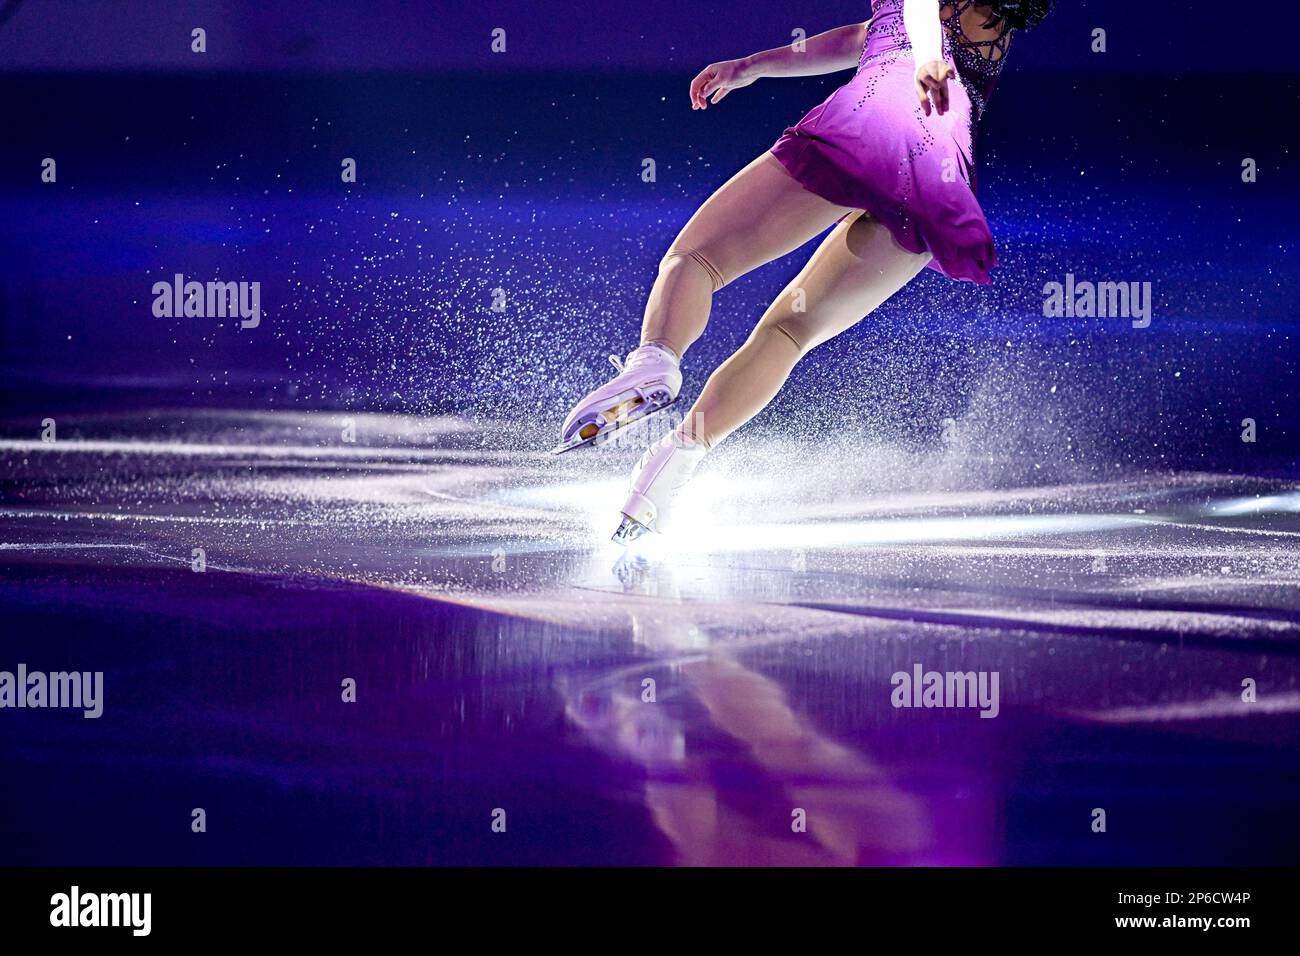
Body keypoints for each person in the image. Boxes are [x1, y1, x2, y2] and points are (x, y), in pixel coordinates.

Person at [554, 1, 1053, 543]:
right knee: (791, 332)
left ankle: (655, 362)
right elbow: (863, 36)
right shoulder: (1001, 14)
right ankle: (668, 470)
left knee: (696, 259)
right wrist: (752, 65)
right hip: (938, 173)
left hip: (876, 116)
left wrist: (928, 56)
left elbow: (916, 10)